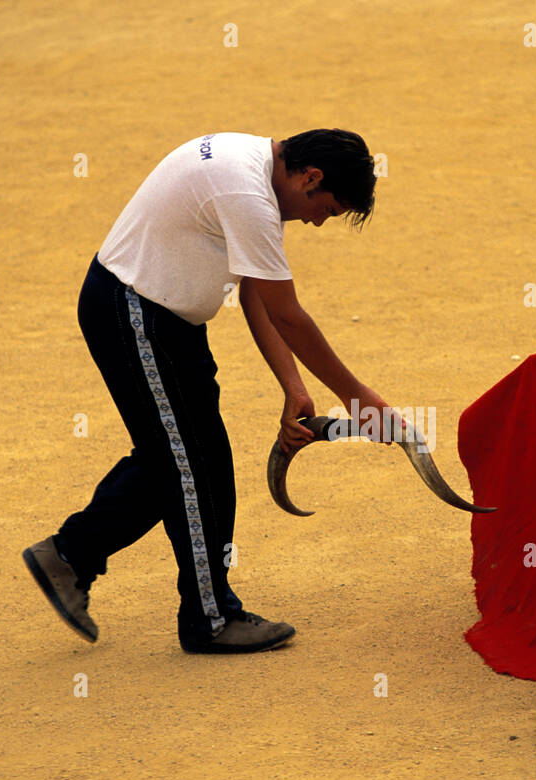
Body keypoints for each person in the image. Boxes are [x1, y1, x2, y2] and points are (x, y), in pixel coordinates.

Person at [23, 129, 390, 654]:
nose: (316, 222)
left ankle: (69, 557)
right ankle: (210, 617)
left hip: (163, 320)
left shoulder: (253, 172)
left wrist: (293, 387)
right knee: (189, 465)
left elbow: (257, 293)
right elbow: (288, 314)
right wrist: (359, 398)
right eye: (327, 210)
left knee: (190, 460)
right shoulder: (249, 196)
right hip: (135, 316)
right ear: (311, 178)